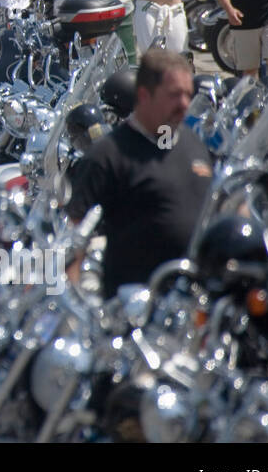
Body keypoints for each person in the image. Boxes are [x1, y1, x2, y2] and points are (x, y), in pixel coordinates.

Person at [67, 49, 211, 298]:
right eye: (174, 95)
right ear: (144, 95)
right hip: (135, 313)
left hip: (192, 305)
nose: (184, 104)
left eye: (188, 95)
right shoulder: (108, 155)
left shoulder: (193, 144)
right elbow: (71, 240)